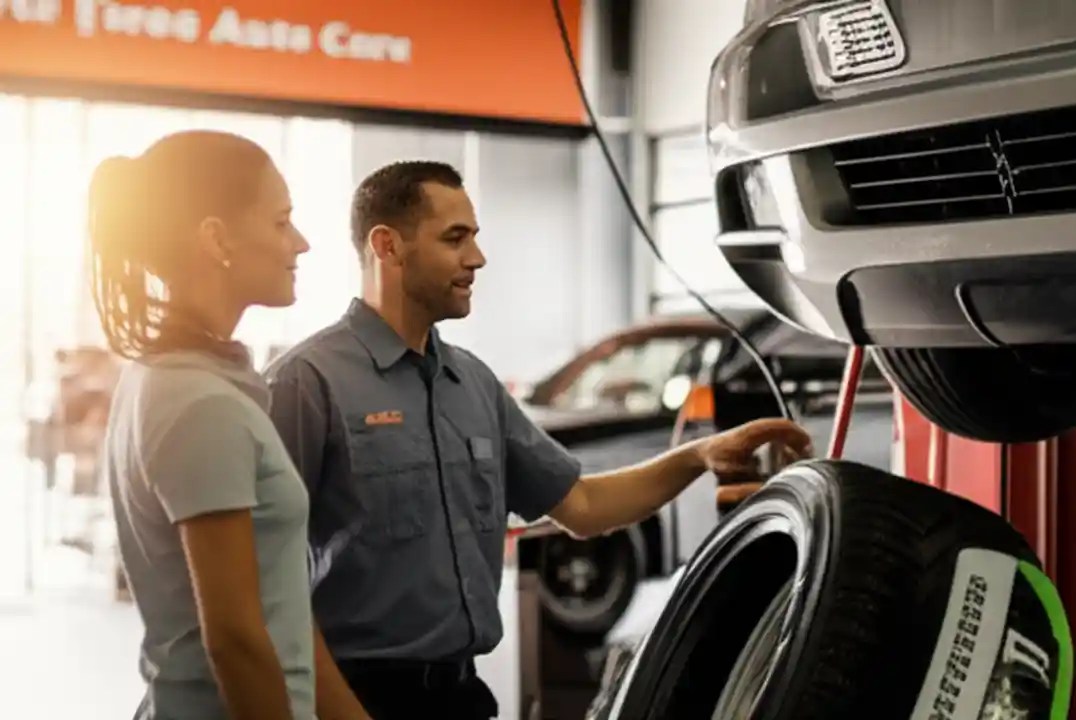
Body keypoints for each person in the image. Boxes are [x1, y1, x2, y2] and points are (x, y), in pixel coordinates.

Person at [264, 161, 813, 719]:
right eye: (455, 239)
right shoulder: (306, 384)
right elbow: (268, 584)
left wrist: (697, 456)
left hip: (463, 698)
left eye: (474, 238)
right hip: (353, 698)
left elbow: (583, 505)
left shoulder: (472, 383)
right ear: (387, 246)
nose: (476, 259)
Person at [91, 131, 368, 720]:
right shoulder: (198, 403)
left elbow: (284, 612)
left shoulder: (185, 380)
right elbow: (237, 641)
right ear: (216, 238)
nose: (301, 242)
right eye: (281, 222)